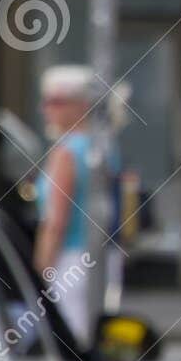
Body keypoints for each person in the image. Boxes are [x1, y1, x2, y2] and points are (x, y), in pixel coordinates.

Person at [34, 65, 124, 345]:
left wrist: (40, 271)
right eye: (46, 101)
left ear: (81, 106)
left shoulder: (66, 152)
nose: (46, 109)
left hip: (70, 259)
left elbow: (55, 222)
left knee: (70, 341)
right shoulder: (104, 148)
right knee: (101, 342)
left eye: (56, 102)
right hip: (105, 257)